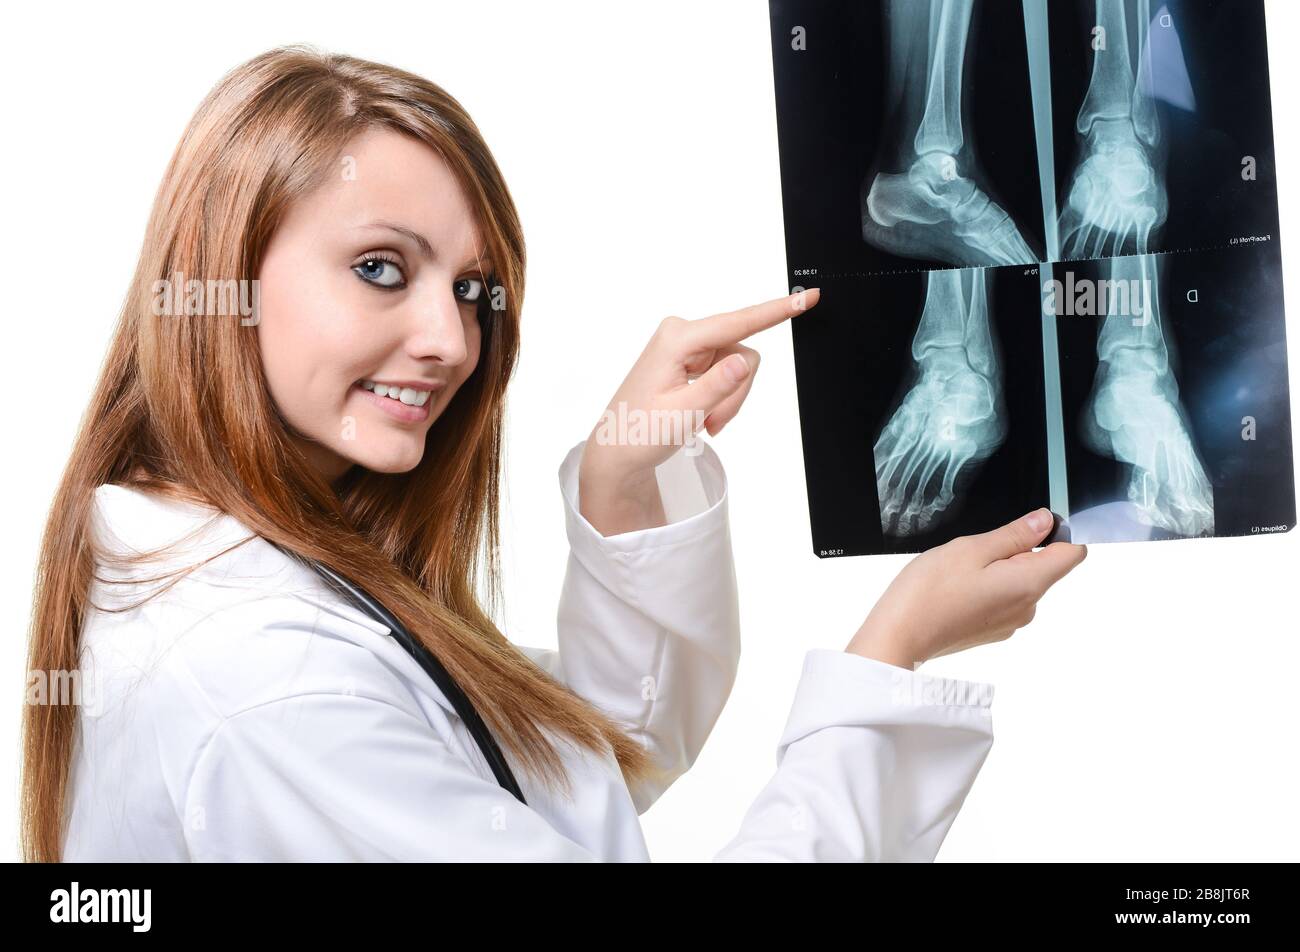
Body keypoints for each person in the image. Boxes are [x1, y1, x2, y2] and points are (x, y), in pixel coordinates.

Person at [22, 46, 1086, 863]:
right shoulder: (264, 689)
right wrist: (886, 662)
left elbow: (572, 775)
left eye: (471, 289)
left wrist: (626, 483)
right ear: (226, 281)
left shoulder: (249, 575)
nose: (451, 340)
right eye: (383, 268)